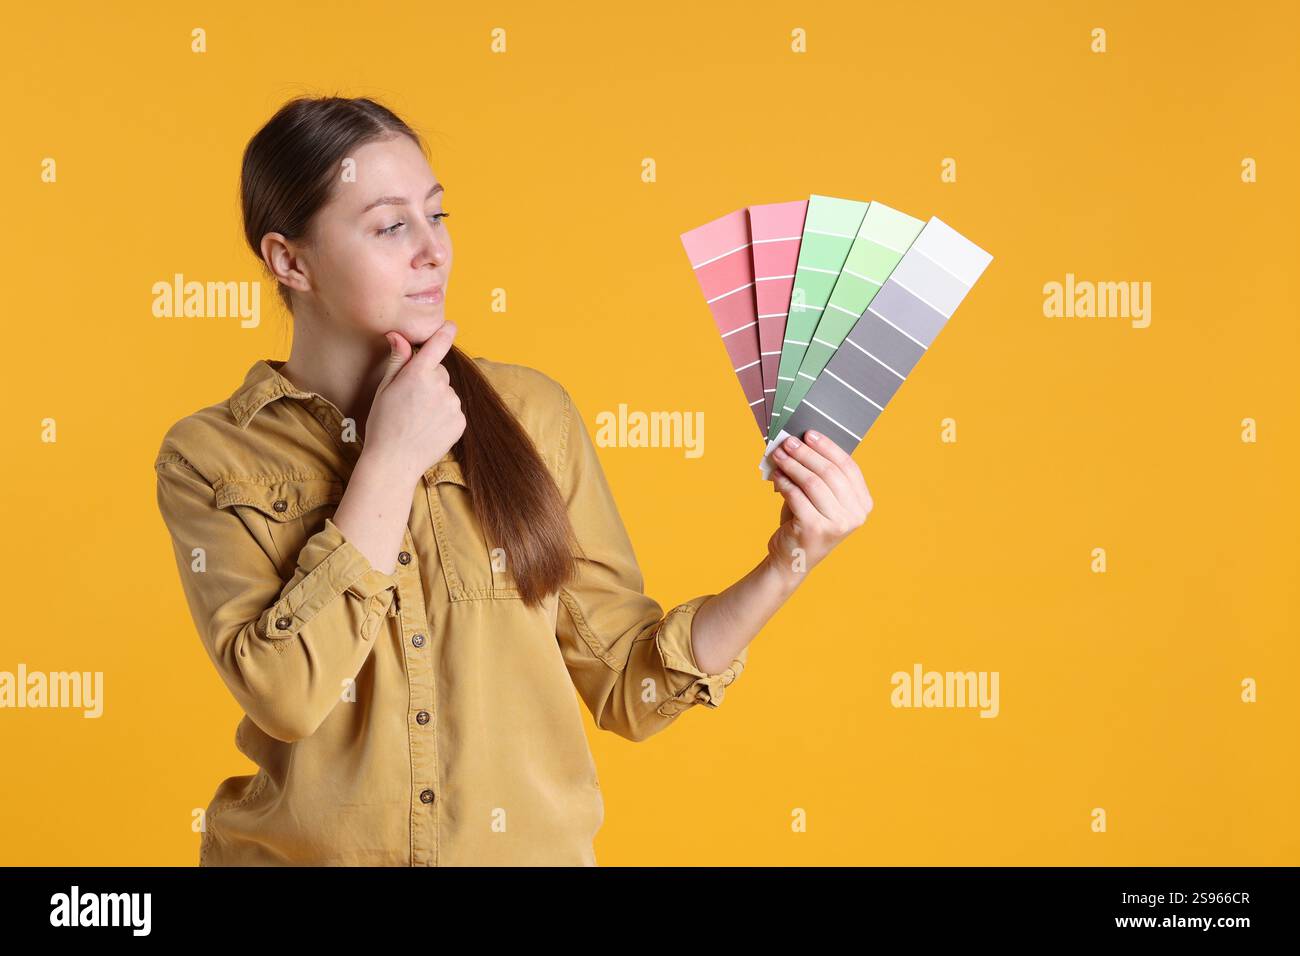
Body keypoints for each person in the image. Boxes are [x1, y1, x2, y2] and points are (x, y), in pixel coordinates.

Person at [153, 95, 872, 866]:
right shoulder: (212, 456)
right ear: (290, 260)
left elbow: (634, 685)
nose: (433, 251)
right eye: (392, 226)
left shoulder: (534, 415)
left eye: (438, 216)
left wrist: (793, 556)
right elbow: (288, 693)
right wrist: (390, 462)